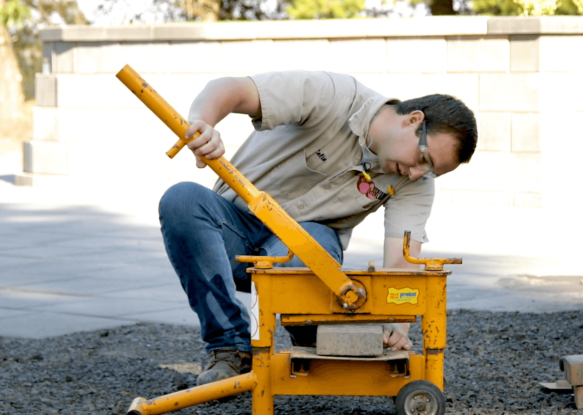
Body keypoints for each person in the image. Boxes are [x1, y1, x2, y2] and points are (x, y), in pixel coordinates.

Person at [158, 71, 477, 385]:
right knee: (181, 199)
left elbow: (401, 261)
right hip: (234, 232)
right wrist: (204, 123)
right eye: (424, 159)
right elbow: (232, 88)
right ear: (413, 120)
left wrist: (398, 326)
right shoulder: (335, 96)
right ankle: (231, 347)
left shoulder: (414, 182)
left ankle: (312, 331)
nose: (419, 174)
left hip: (304, 253)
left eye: (432, 172)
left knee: (312, 240)